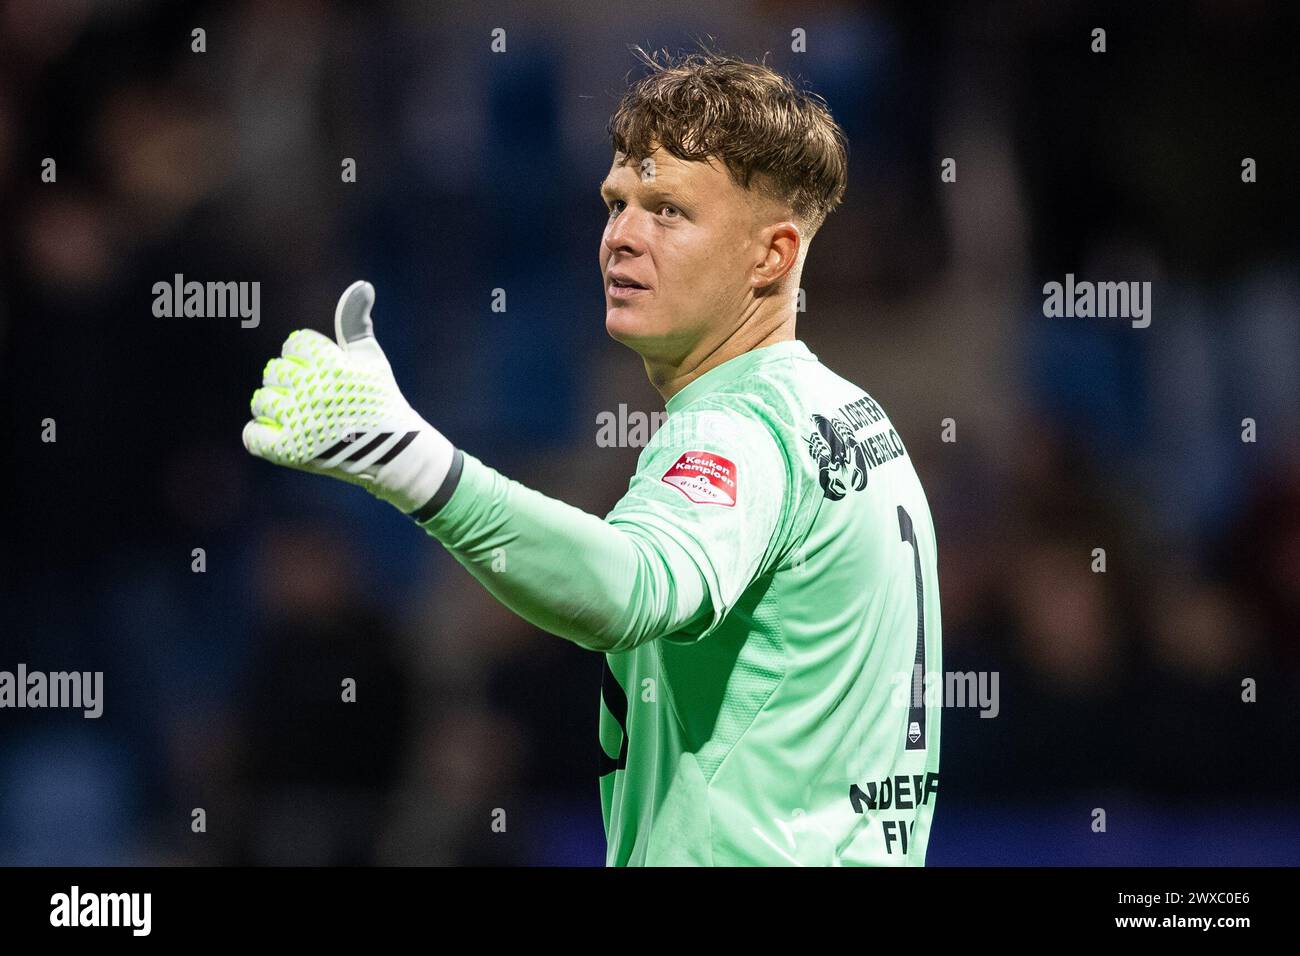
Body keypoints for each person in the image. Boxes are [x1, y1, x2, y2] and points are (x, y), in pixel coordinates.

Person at [242, 48, 942, 866]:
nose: (620, 238)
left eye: (670, 211)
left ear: (773, 255)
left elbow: (633, 589)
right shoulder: (851, 420)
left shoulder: (736, 429)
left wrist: (415, 465)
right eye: (618, 203)